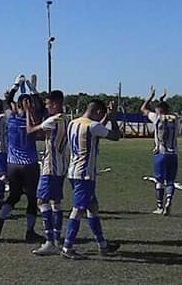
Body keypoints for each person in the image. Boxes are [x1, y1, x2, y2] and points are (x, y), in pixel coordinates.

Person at [61, 99, 122, 260]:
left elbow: (96, 129)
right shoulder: (92, 126)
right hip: (85, 174)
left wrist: (106, 118)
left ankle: (103, 245)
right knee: (79, 209)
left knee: (92, 207)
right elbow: (116, 136)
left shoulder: (73, 123)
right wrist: (113, 118)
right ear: (98, 112)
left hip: (73, 171)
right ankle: (67, 246)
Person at [0, 76, 44, 243]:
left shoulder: (11, 118)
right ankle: (30, 231)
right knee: (31, 199)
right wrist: (32, 89)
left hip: (12, 164)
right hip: (30, 164)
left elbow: (6, 100)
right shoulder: (34, 119)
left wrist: (16, 85)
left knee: (13, 196)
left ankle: (0, 219)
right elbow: (41, 104)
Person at [25, 90, 69, 255]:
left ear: (55, 104)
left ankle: (49, 241)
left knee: (41, 200)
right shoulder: (65, 119)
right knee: (55, 203)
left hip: (50, 166)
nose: (46, 106)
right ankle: (56, 239)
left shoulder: (53, 119)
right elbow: (41, 128)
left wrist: (28, 112)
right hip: (61, 166)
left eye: (48, 104)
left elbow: (30, 131)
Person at [140, 86, 179, 215]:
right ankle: (169, 200)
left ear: (159, 110)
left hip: (160, 154)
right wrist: (163, 100)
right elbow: (169, 111)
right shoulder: (175, 118)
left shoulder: (156, 118)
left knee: (159, 181)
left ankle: (159, 206)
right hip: (173, 154)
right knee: (171, 181)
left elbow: (143, 109)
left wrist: (150, 97)